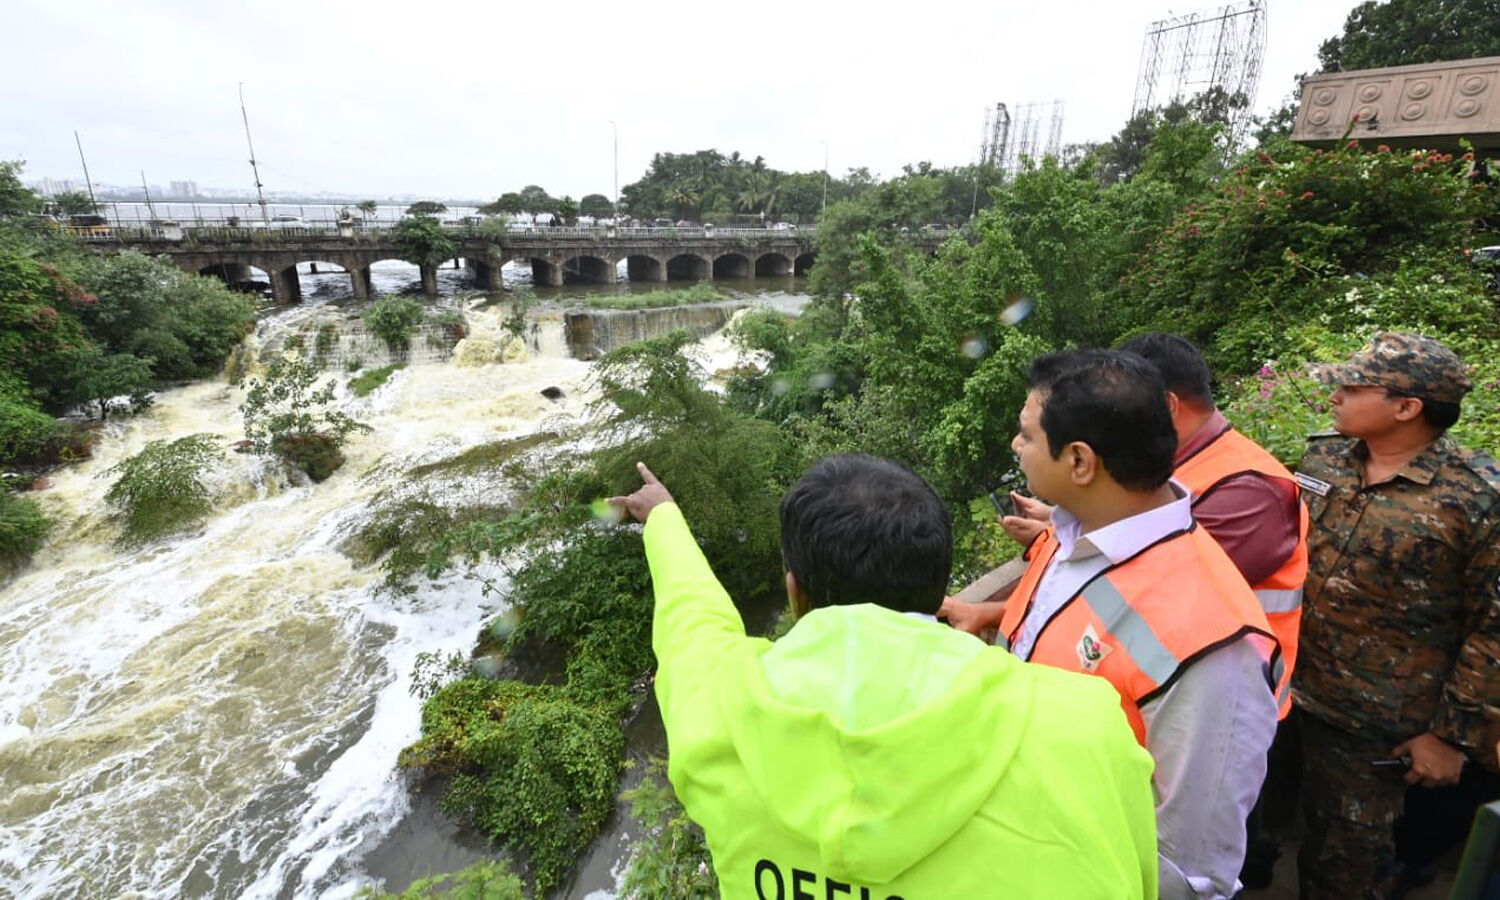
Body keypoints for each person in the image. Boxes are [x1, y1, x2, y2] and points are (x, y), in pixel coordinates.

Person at [612, 454, 1159, 899]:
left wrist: (663, 519)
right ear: (938, 581)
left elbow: (691, 624)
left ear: (795, 595)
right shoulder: (1083, 725)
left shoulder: (721, 708)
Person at [941, 350, 1280, 899]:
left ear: (1080, 461)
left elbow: (1188, 867)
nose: (1016, 446)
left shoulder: (1212, 642)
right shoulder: (1073, 534)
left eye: (1026, 435)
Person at [1292, 331, 1500, 898]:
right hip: (1289, 687)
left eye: (1352, 387)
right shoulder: (1325, 457)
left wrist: (1451, 737)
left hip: (1379, 724)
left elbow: (1493, 629)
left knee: (1342, 870)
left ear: (1407, 408)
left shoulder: (1477, 496)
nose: (1334, 396)